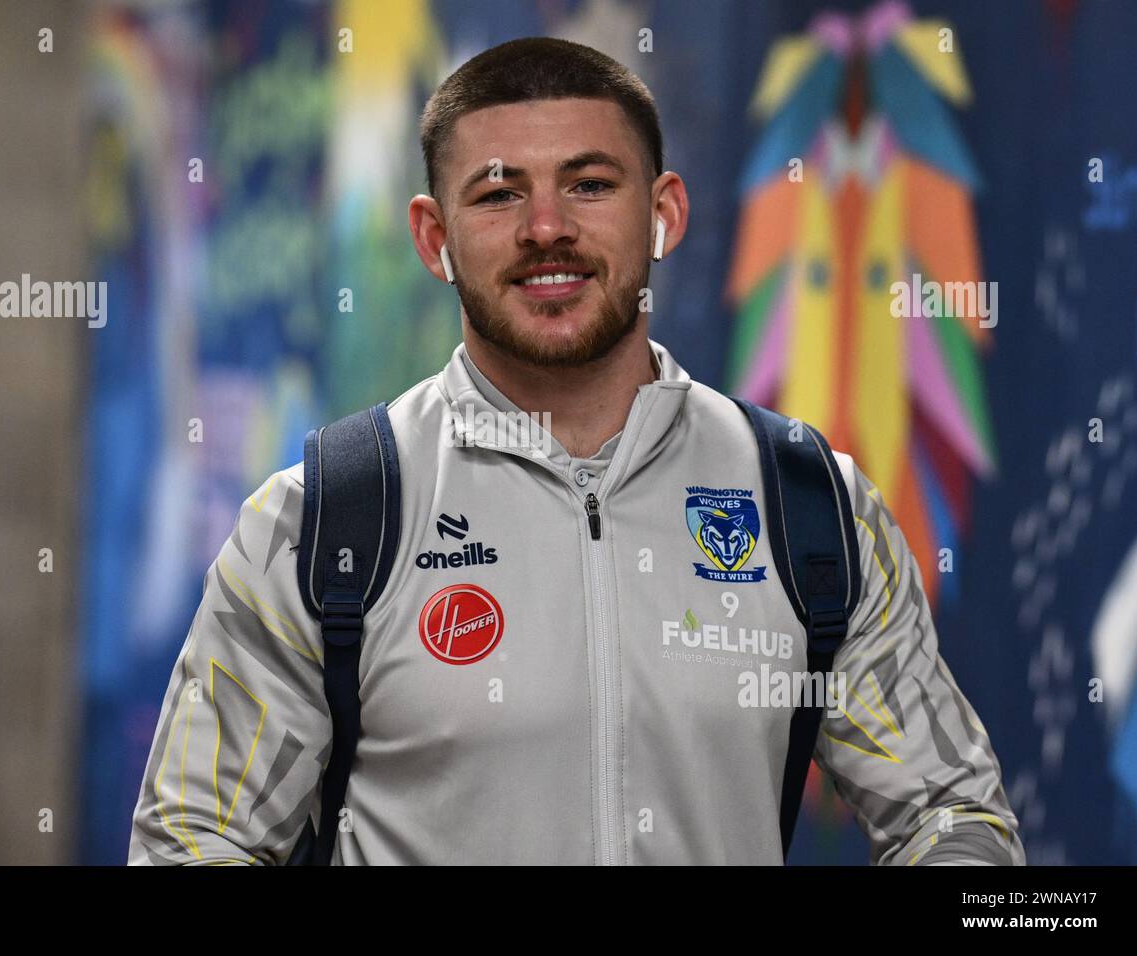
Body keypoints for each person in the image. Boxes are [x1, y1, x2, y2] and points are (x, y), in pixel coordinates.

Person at [129, 36, 1024, 865]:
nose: (546, 227)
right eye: (497, 192)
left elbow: (949, 812)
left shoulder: (809, 504)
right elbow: (195, 838)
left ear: (665, 213)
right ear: (434, 237)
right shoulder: (323, 519)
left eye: (590, 184)